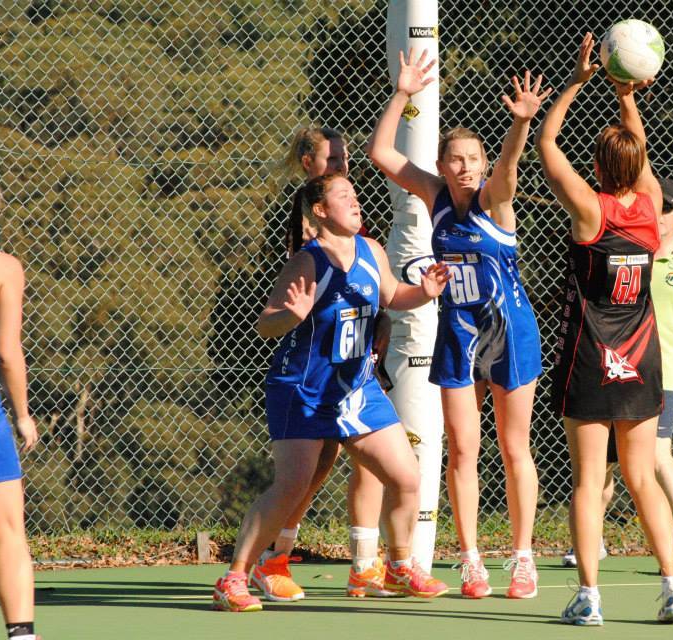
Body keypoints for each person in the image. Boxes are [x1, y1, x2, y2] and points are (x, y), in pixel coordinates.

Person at [213, 174, 450, 612]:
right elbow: (266, 325)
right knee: (291, 485)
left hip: (356, 389)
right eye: (344, 196)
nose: (356, 202)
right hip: (303, 390)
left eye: (355, 194)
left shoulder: (371, 250)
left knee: (406, 477)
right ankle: (234, 577)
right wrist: (292, 313)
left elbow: (392, 294)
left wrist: (425, 292)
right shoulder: (307, 263)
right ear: (320, 210)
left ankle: (399, 567)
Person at [367, 51, 549, 599]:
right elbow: (380, 152)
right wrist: (402, 93)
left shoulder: (496, 200)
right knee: (463, 450)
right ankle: (470, 559)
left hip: (510, 332)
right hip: (459, 334)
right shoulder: (435, 196)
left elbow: (511, 166)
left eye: (474, 158)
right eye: (456, 160)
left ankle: (522, 556)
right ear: (443, 166)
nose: (466, 167)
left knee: (515, 447)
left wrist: (520, 122)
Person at [535, 33, 673, 625]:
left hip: (590, 358)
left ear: (598, 166)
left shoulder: (589, 210)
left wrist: (579, 79)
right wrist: (627, 97)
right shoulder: (652, 210)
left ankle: (589, 597)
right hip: (642, 356)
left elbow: (547, 142)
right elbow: (642, 159)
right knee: (642, 476)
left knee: (585, 482)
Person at [252, 126, 398, 602]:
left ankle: (365, 563)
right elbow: (308, 295)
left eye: (344, 157)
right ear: (307, 165)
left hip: (351, 363)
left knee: (371, 460)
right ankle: (273, 558)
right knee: (308, 471)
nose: (341, 165)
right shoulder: (306, 226)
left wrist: (382, 316)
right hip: (313, 364)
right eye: (331, 158)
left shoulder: (352, 222)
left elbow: (373, 285)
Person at [560, 178, 673, 577]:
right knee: (599, 464)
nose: (661, 215)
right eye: (657, 206)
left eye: (670, 209)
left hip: (661, 372)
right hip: (610, 368)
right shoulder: (628, 245)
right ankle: (592, 541)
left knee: (655, 455)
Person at [0, 186, 40, 640]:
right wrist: (22, 414)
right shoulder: (5, 268)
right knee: (8, 529)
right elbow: (8, 353)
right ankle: (21, 633)